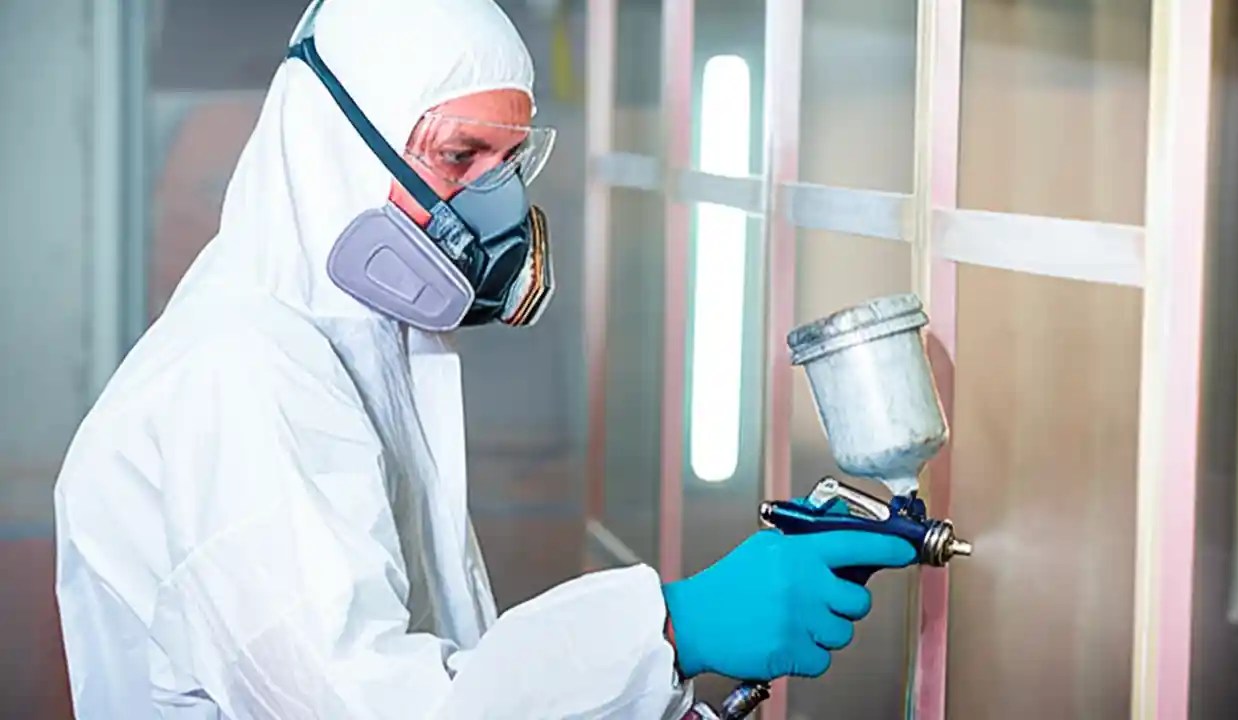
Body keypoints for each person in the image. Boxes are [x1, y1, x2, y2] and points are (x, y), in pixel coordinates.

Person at [53, 1, 916, 717]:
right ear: (335, 154)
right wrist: (670, 627)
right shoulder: (239, 374)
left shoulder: (366, 350)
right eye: (460, 156)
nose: (497, 207)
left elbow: (446, 665)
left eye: (509, 162)